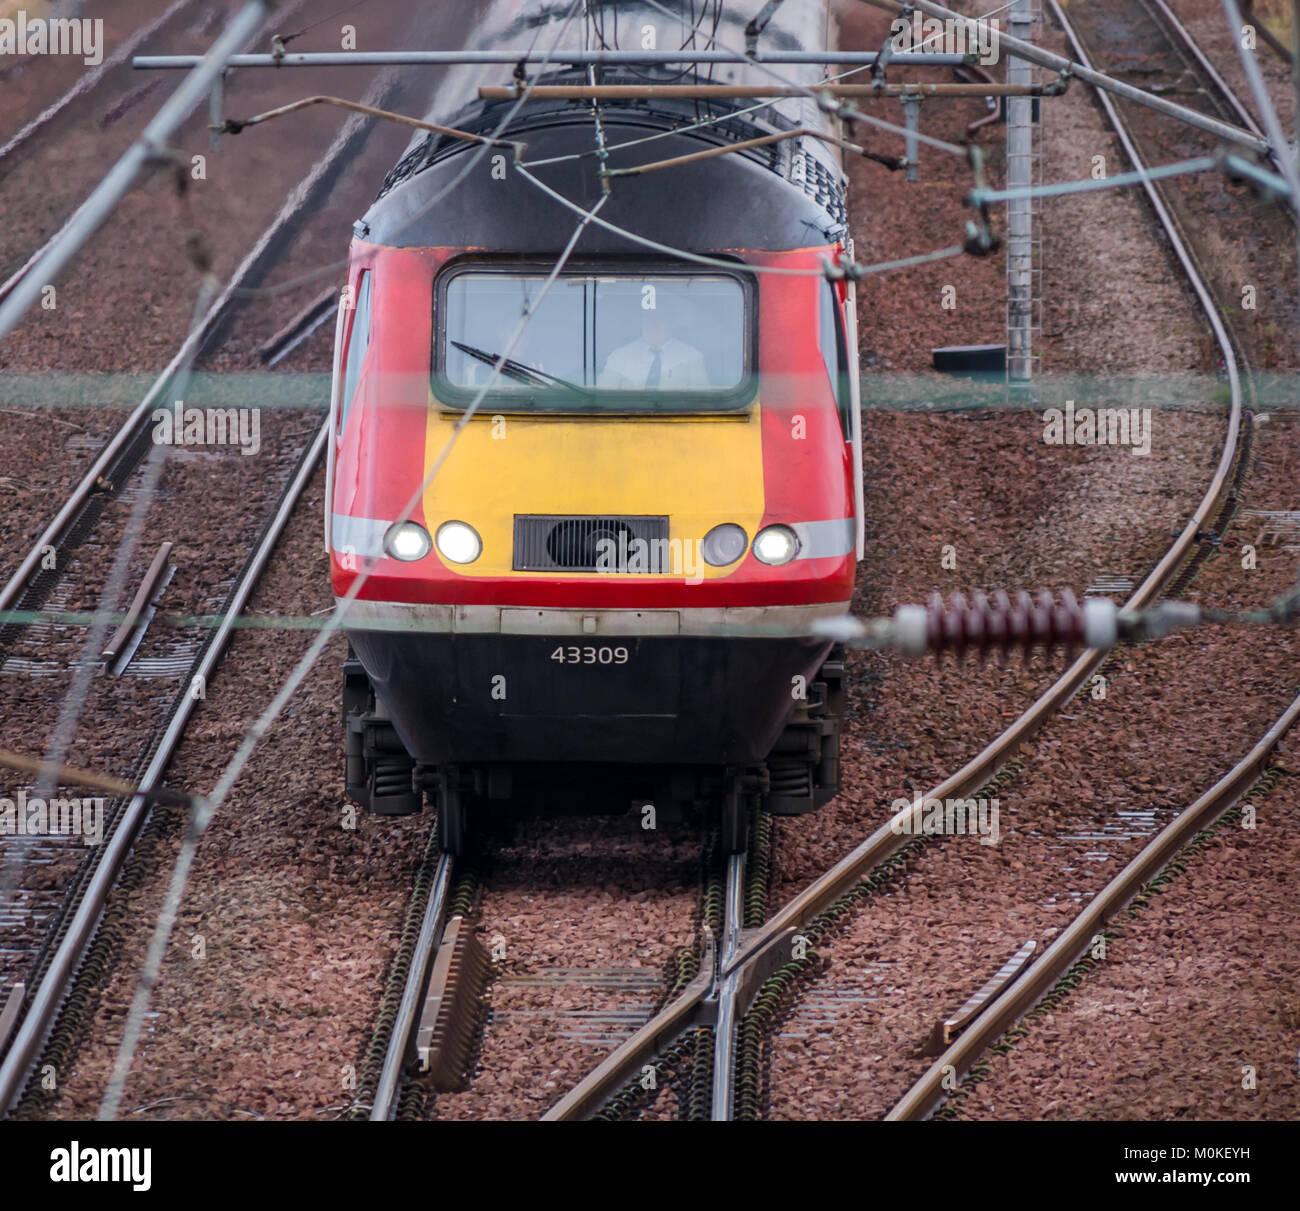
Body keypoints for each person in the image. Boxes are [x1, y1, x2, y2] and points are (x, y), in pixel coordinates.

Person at [600, 311, 709, 390]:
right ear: (641, 321)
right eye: (648, 317)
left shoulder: (692, 357)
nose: (653, 322)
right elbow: (603, 398)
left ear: (670, 322)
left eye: (659, 317)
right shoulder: (619, 356)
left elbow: (703, 401)